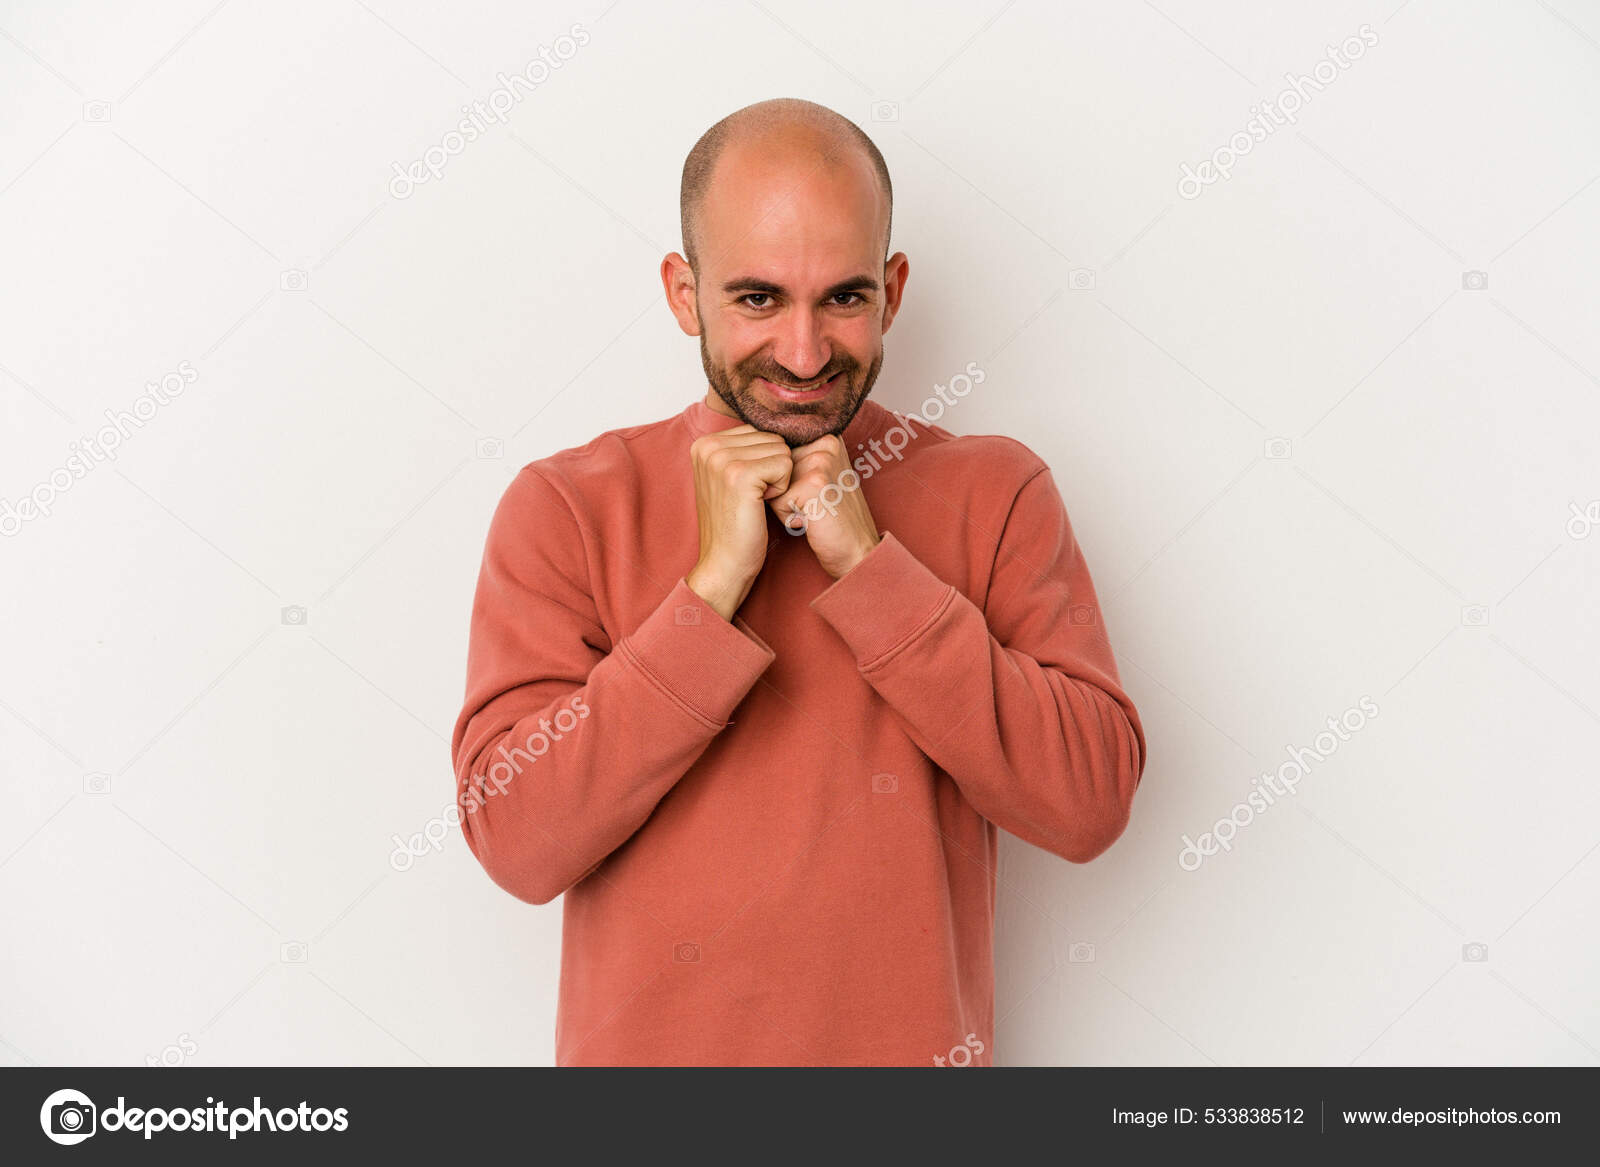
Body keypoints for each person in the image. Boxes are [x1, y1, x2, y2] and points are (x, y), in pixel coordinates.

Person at [450, 97, 1146, 1066]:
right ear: (683, 293)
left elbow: (1086, 805)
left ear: (893, 290)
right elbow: (519, 844)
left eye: (844, 298)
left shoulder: (995, 490)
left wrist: (872, 572)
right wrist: (706, 594)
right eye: (758, 298)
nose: (805, 353)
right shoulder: (566, 506)